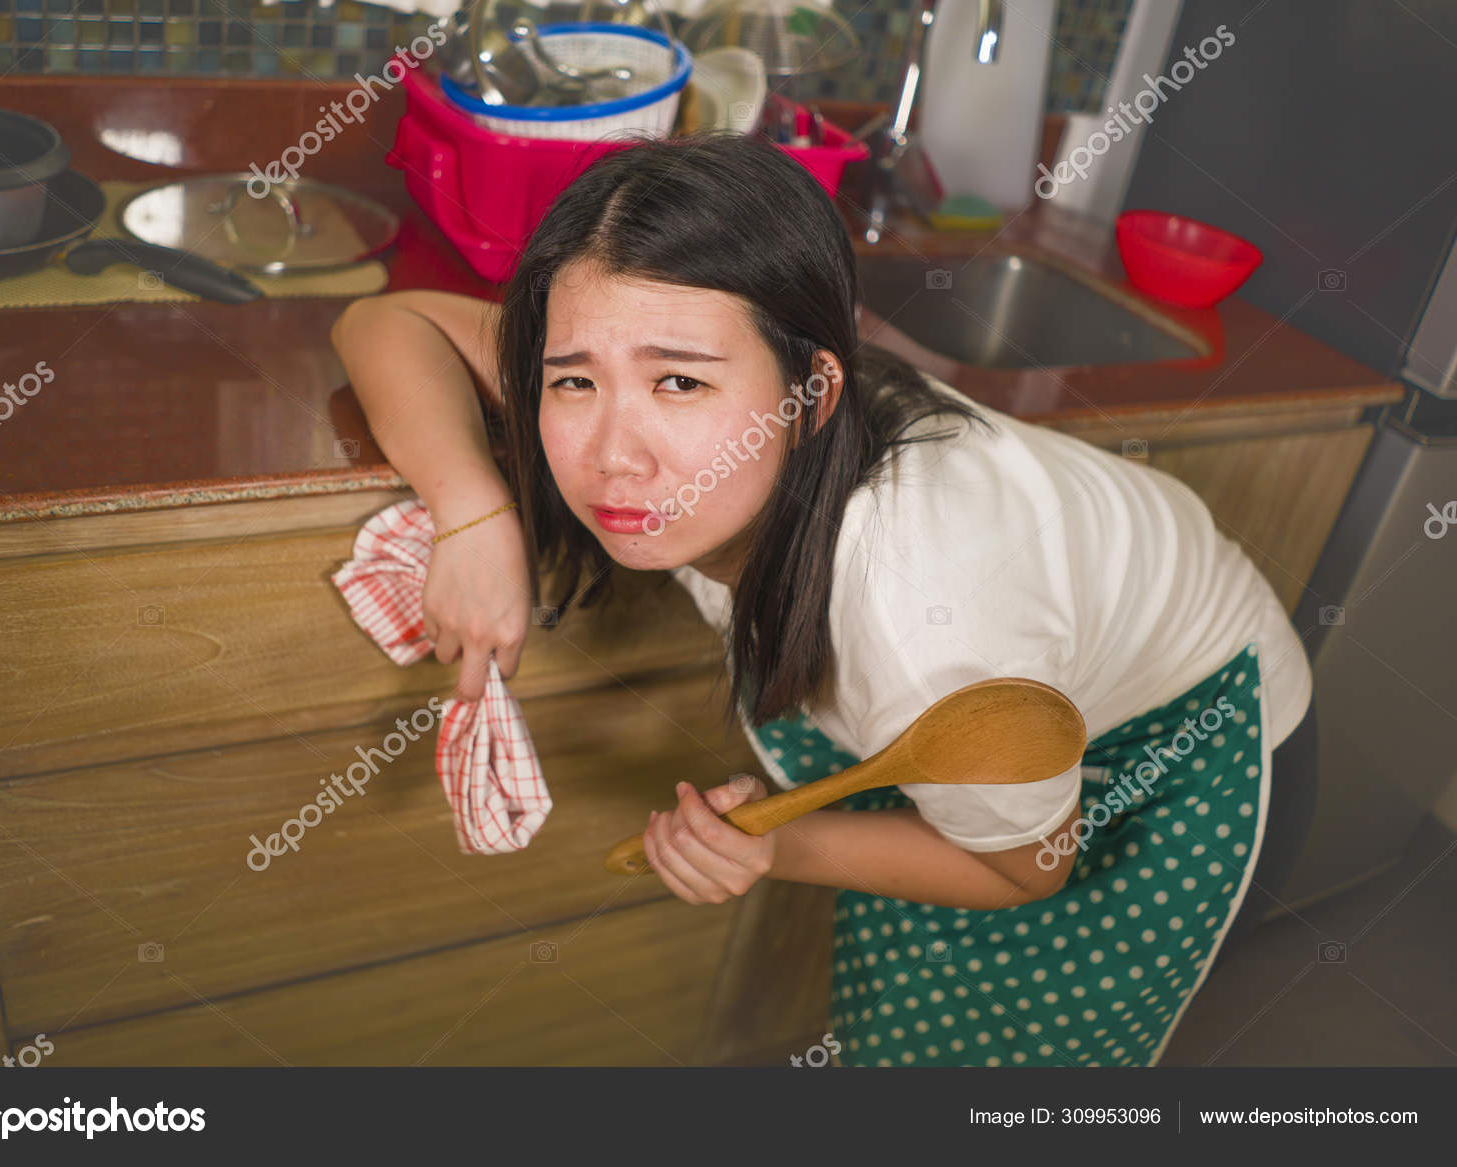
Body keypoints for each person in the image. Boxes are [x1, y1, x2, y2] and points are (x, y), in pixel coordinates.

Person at [330, 132, 1318, 1067]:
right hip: (998, 718)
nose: (610, 455)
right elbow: (386, 318)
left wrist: (773, 845)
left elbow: (1027, 868)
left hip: (1178, 752)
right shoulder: (701, 371)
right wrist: (472, 511)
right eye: (572, 382)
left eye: (678, 383)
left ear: (813, 387)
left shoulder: (926, 621)